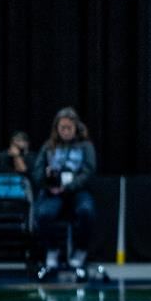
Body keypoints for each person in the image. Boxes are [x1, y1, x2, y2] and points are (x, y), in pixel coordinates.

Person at [31, 109, 97, 282]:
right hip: (53, 192)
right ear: (56, 128)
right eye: (62, 128)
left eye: (69, 127)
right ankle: (53, 250)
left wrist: (69, 186)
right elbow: (36, 173)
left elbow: (89, 172)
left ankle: (80, 251)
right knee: (43, 214)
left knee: (86, 211)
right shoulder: (48, 146)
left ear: (76, 127)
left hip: (77, 191)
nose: (66, 131)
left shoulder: (85, 146)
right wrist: (47, 179)